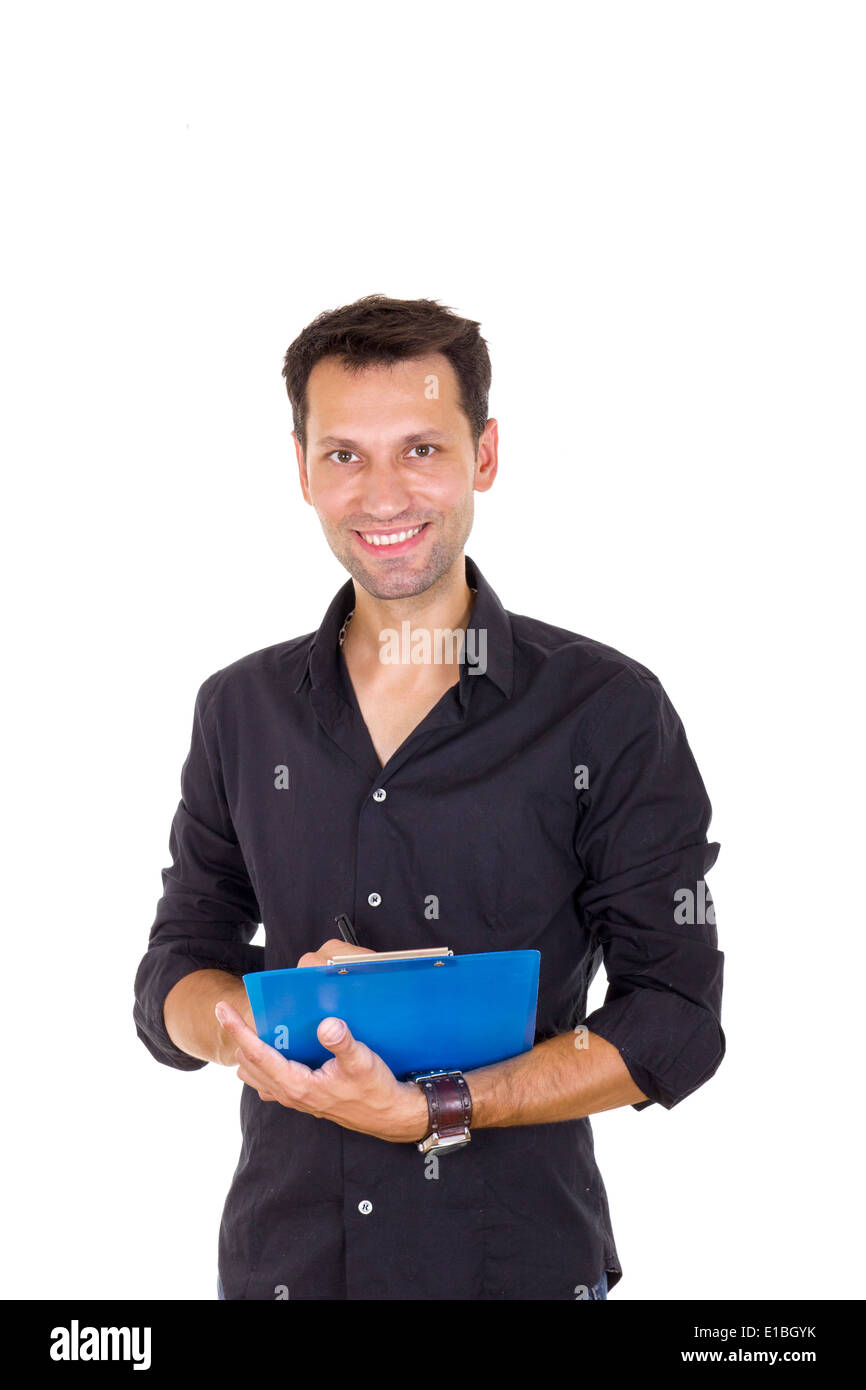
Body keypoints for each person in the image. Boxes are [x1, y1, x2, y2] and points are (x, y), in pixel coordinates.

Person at [133, 294, 724, 1301]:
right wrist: (251, 1032)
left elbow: (670, 1019)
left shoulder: (606, 709)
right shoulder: (239, 708)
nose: (382, 494)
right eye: (344, 455)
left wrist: (439, 1106)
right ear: (302, 468)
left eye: (421, 448)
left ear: (483, 455)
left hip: (510, 1268)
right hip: (285, 1266)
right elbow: (176, 971)